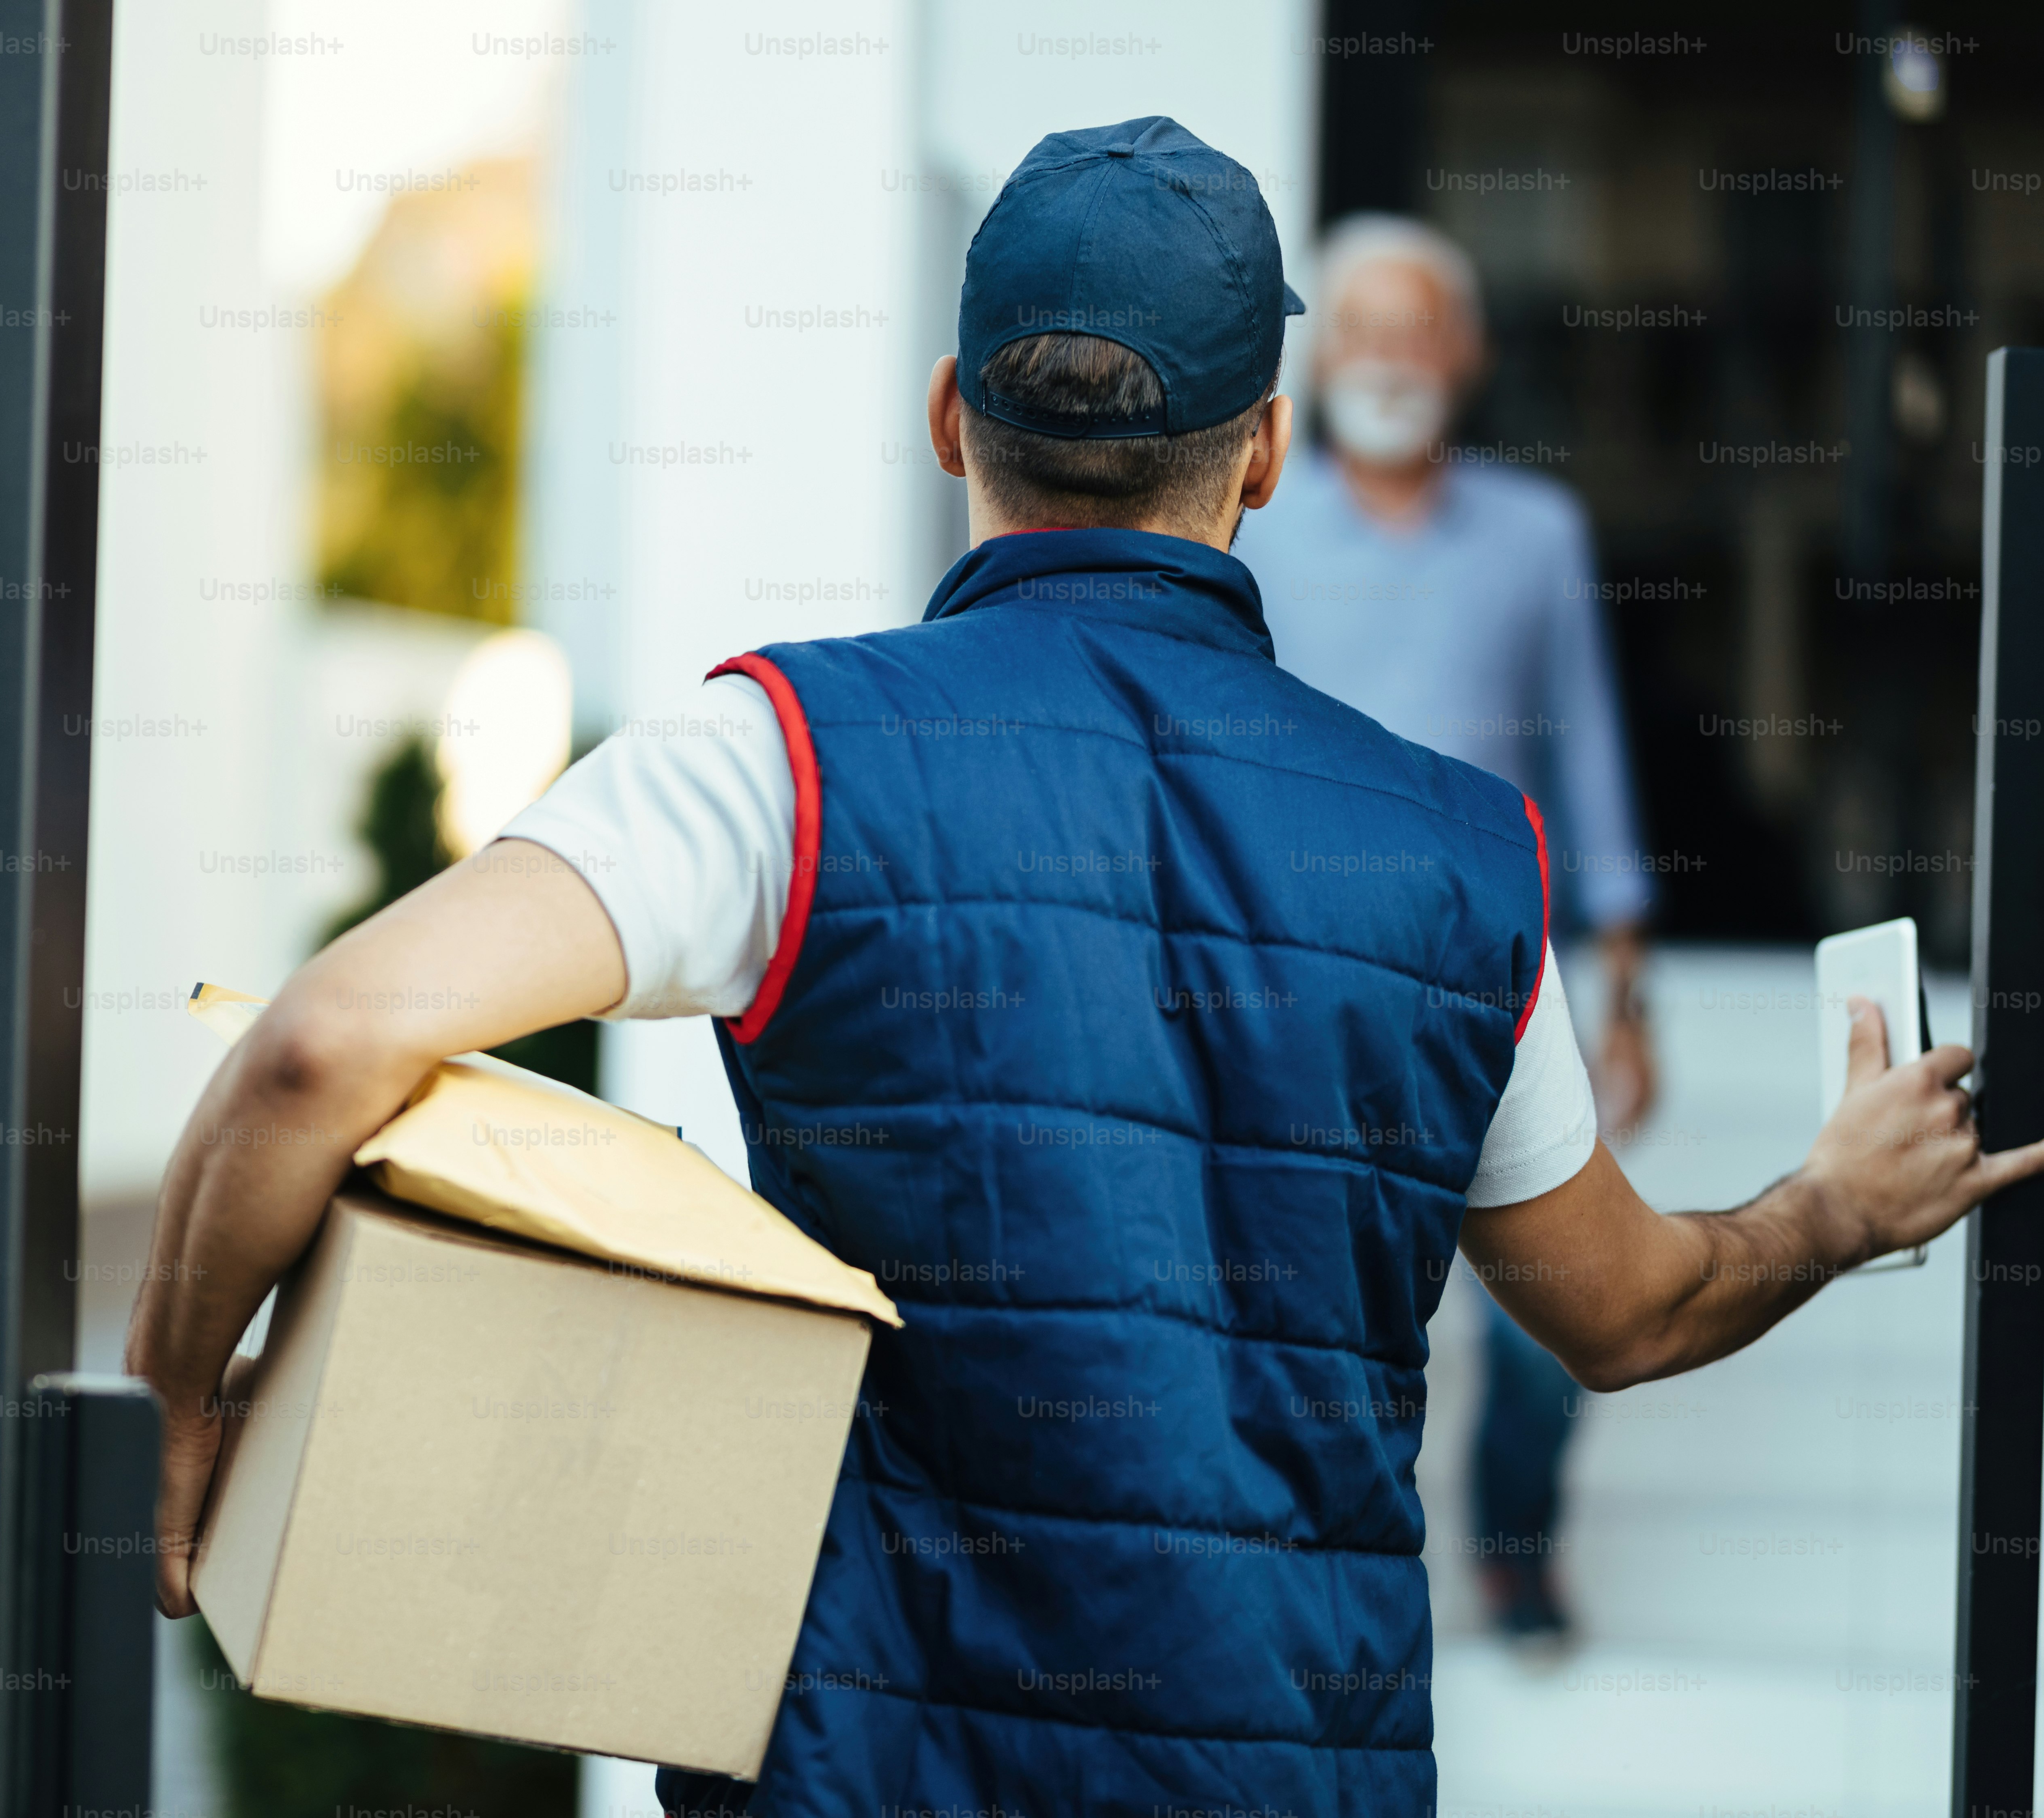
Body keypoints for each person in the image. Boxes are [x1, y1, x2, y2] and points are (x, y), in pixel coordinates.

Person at [124, 118, 2040, 1818]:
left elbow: (321, 1048)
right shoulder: (1462, 863)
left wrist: (181, 1408)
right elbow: (1627, 1314)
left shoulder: (781, 758)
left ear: (952, 413)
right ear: (1267, 453)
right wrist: (1834, 1205)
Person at [1237, 213, 1652, 1645]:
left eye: (1419, 328)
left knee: (1552, 1299)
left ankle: (1516, 1556)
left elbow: (1587, 749)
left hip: (1502, 980)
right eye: (1363, 329)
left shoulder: (1538, 535)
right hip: (1301, 991)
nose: (1392, 358)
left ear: (1465, 355)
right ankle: (1311, 1576)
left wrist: (1630, 985)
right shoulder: (1257, 528)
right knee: (1306, 1293)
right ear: (1320, 359)